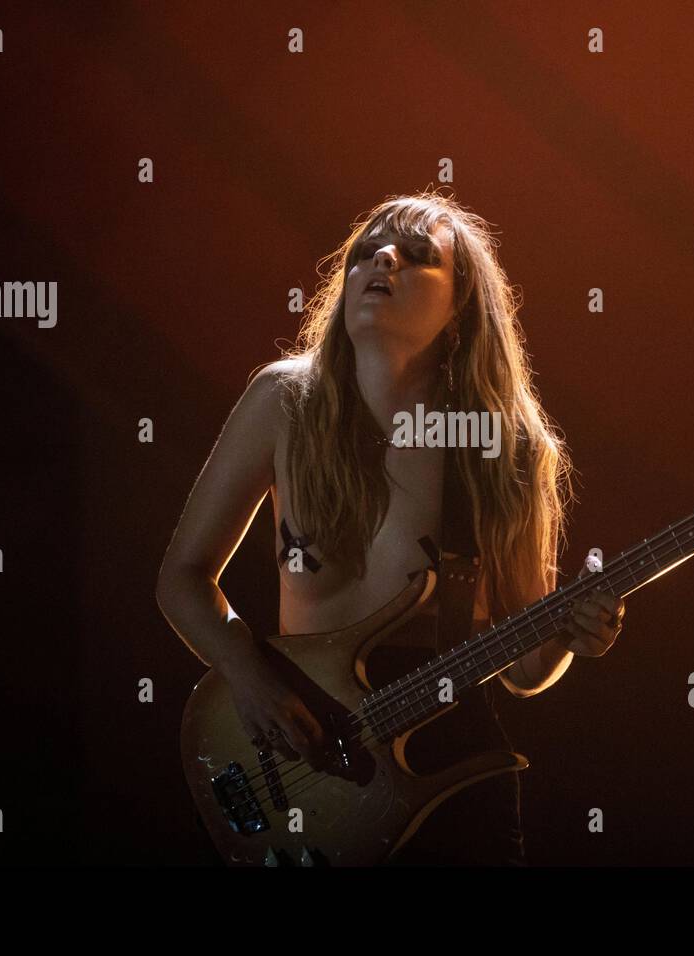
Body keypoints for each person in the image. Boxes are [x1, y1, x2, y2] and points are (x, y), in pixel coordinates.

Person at [156, 188, 625, 865]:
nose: (382, 259)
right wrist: (246, 671)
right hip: (310, 759)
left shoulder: (508, 445)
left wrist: (574, 635)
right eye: (366, 251)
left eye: (415, 256)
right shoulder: (284, 402)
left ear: (461, 305)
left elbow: (524, 670)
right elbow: (181, 577)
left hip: (451, 770)